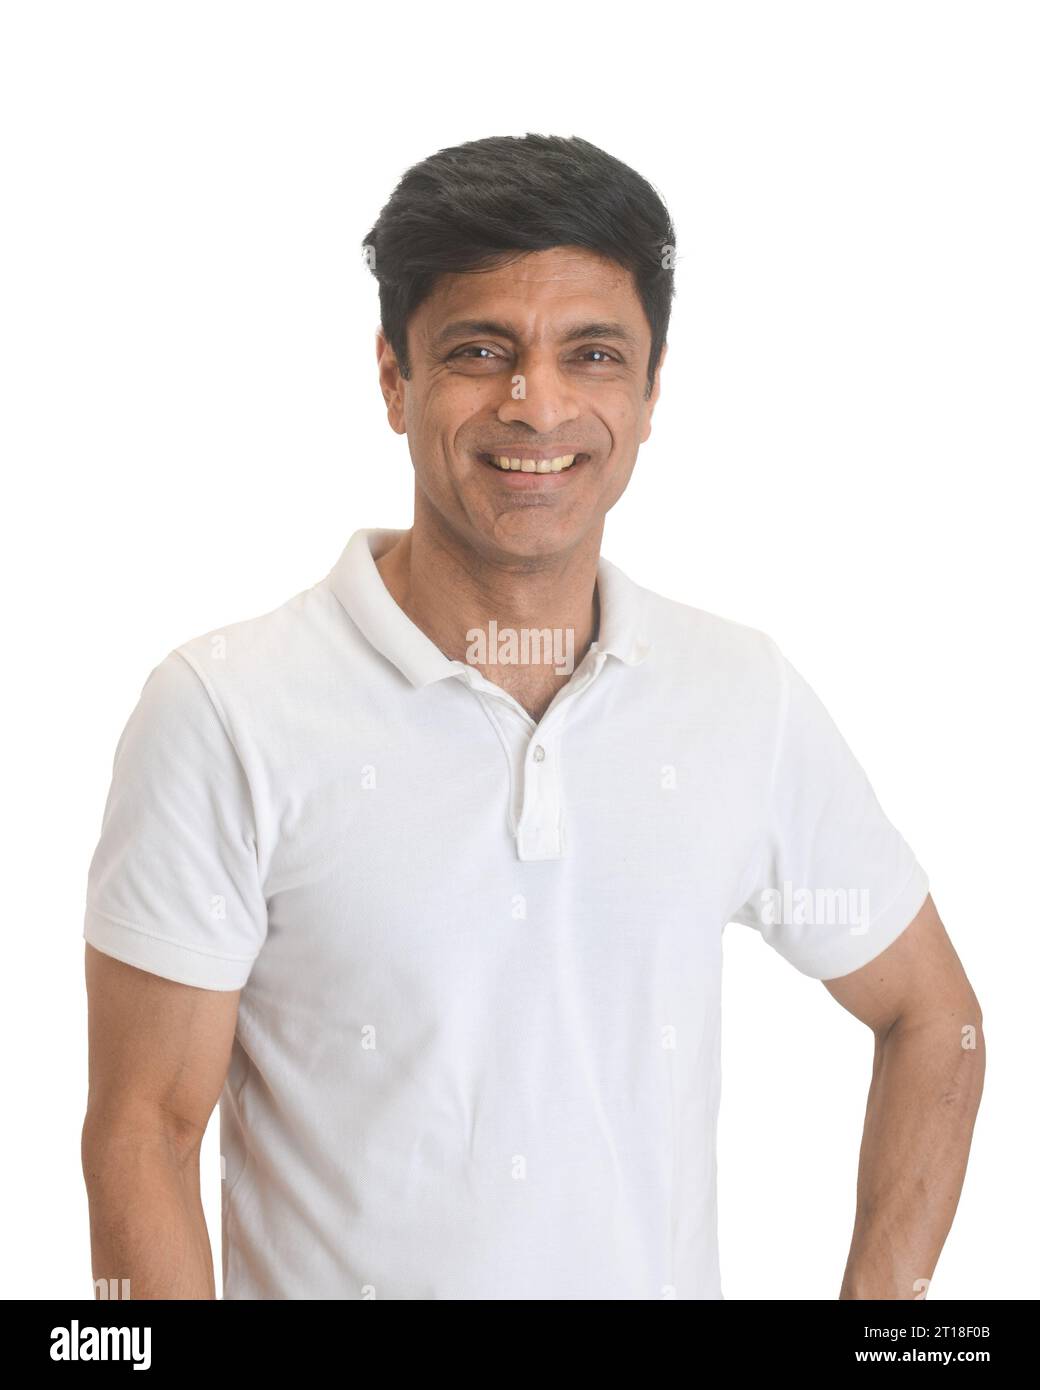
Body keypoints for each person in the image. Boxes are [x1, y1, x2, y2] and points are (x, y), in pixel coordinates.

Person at [81, 133, 984, 1300]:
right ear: (392, 377)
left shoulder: (736, 695)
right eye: (478, 351)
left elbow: (931, 1017)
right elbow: (139, 1135)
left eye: (591, 353)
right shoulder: (223, 710)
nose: (537, 403)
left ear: (650, 392)